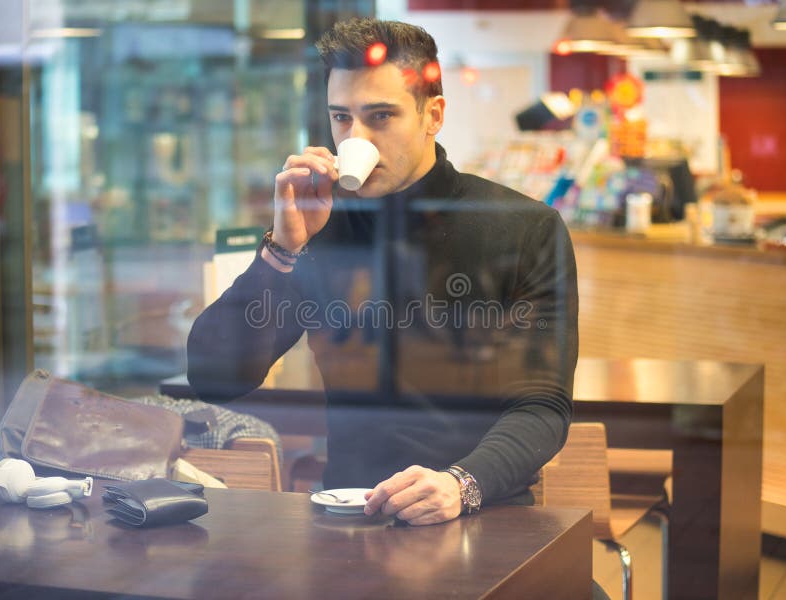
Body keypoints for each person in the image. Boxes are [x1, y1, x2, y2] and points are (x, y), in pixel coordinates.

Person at [187, 18, 578, 528]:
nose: (357, 137)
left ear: (433, 115)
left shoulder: (524, 228)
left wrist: (461, 483)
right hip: (351, 515)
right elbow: (214, 378)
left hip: (483, 514)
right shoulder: (319, 226)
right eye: (342, 118)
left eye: (381, 116)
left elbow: (542, 406)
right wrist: (282, 250)